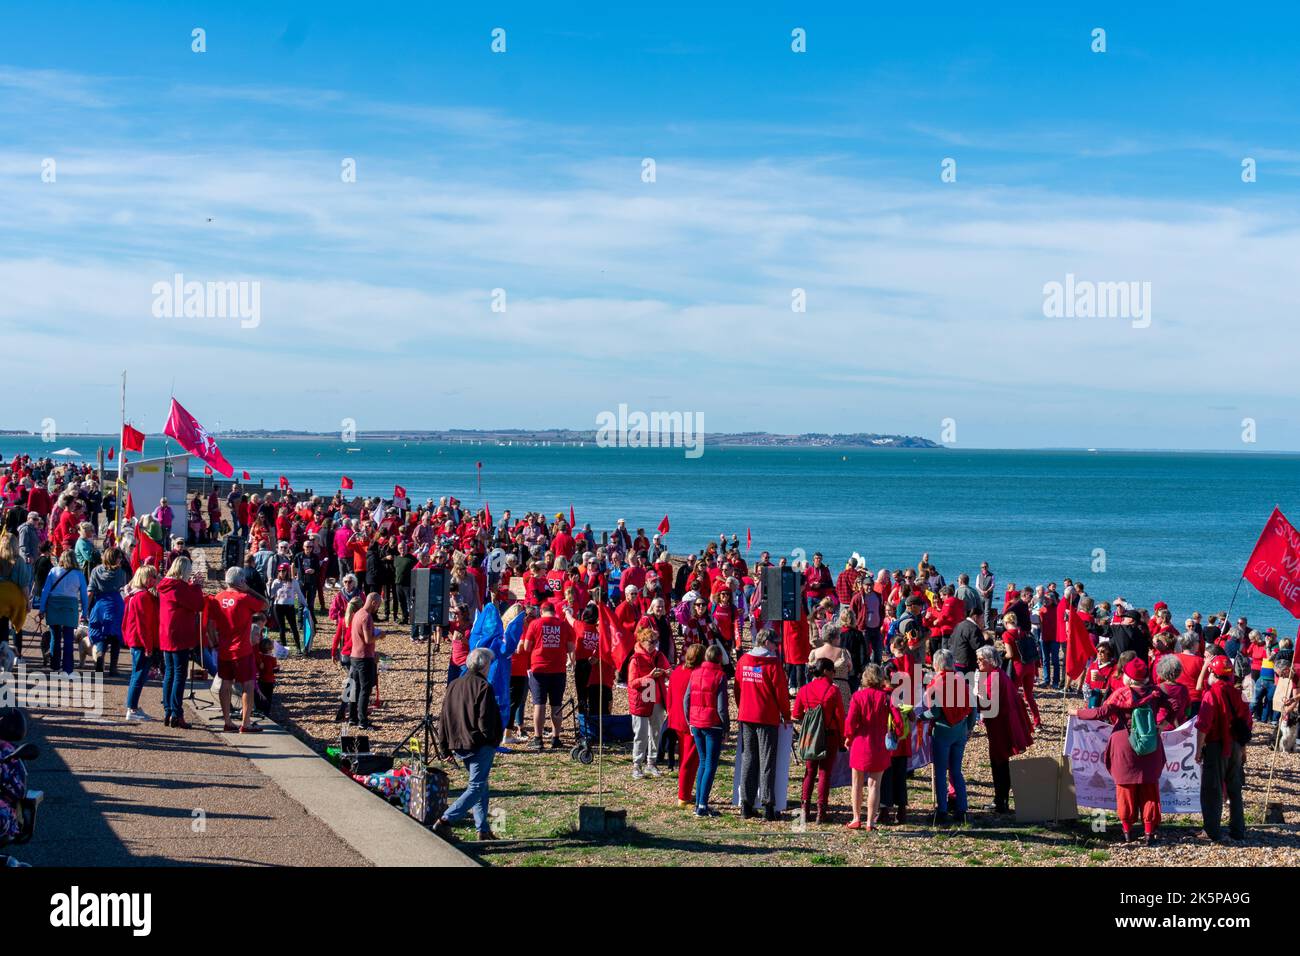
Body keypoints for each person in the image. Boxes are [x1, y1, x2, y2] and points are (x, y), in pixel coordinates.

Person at [1075, 657, 1167, 845]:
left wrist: (1076, 713)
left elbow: (1100, 713)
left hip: (1124, 744)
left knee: (1125, 789)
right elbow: (1175, 707)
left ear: (1129, 678)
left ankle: (1127, 831)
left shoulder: (1121, 694)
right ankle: (1149, 832)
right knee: (1149, 789)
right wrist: (1163, 722)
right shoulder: (1156, 693)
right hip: (1150, 744)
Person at [435, 646, 504, 841]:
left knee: (481, 785)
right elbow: (485, 719)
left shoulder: (454, 684)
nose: (490, 667)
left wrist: (444, 746)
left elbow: (444, 717)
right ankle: (445, 820)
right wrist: (492, 739)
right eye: (489, 664)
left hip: (459, 742)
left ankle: (482, 829)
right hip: (478, 743)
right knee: (476, 787)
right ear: (484, 666)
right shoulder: (484, 687)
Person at [734, 629, 790, 820]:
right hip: (766, 717)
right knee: (767, 761)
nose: (776, 647)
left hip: (747, 715)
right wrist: (786, 715)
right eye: (775, 643)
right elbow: (781, 692)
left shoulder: (743, 661)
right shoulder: (773, 664)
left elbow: (737, 687)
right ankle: (767, 805)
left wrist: (741, 707)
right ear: (766, 642)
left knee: (748, 759)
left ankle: (746, 804)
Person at [204, 566, 268, 733]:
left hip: (224, 648)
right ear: (241, 581)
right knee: (247, 686)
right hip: (242, 649)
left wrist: (214, 644)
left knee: (225, 684)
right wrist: (250, 589)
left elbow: (210, 625)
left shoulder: (217, 598)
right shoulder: (243, 598)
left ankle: (227, 721)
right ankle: (245, 723)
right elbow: (265, 605)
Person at [1195, 655, 1251, 842]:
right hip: (1235, 745)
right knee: (1235, 788)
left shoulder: (1211, 694)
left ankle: (1211, 831)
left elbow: (1204, 724)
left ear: (1212, 673)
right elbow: (1246, 724)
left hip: (1217, 745)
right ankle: (1238, 829)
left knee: (1212, 788)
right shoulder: (1239, 694)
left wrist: (1197, 749)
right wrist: (1243, 749)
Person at [976, 644, 1034, 815]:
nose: (978, 662)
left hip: (1000, 725)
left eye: (981, 660)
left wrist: (974, 699)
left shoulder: (994, 677)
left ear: (990, 661)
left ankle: (1000, 800)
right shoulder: (997, 674)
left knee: (998, 762)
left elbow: (988, 703)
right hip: (1001, 722)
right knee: (1000, 762)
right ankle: (1001, 799)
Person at [844, 663, 900, 831]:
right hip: (879, 744)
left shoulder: (857, 697)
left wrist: (848, 737)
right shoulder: (886, 698)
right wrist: (897, 734)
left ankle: (856, 818)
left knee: (857, 783)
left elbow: (851, 722)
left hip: (860, 743)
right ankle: (871, 822)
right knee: (875, 785)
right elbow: (898, 720)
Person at [792, 657, 846, 825]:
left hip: (810, 735)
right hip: (828, 735)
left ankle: (804, 810)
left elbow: (796, 714)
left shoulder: (804, 689)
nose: (834, 674)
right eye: (832, 671)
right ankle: (821, 812)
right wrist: (842, 739)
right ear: (825, 671)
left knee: (809, 772)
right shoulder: (833, 690)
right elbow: (840, 718)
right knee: (824, 774)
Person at [924, 649, 972, 825]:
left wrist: (920, 717)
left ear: (936, 665)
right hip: (960, 731)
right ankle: (962, 808)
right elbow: (972, 708)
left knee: (940, 772)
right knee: (956, 771)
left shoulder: (936, 684)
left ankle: (942, 810)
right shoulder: (962, 681)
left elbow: (935, 711)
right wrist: (969, 727)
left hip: (943, 731)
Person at [157, 555, 206, 728]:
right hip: (179, 635)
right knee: (179, 675)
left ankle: (168, 710)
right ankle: (176, 713)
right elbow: (198, 605)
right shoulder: (179, 587)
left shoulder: (166, 585)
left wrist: (191, 586)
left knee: (169, 674)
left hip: (166, 633)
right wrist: (197, 587)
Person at [683, 643, 730, 816]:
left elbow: (686, 699)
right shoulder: (719, 676)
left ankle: (699, 803)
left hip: (696, 722)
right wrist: (726, 727)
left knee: (703, 762)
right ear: (719, 658)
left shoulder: (694, 673)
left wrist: (690, 720)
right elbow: (721, 707)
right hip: (712, 724)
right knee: (710, 763)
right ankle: (702, 804)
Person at [521, 602, 575, 751]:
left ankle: (538, 739)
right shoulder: (564, 625)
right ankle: (555, 737)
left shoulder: (535, 624)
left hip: (539, 668)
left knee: (539, 704)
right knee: (556, 704)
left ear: (542, 611)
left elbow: (526, 647)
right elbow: (571, 648)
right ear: (553, 611)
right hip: (558, 669)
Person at [627, 626, 670, 779]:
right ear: (642, 641)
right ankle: (637, 765)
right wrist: (650, 676)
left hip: (657, 698)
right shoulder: (635, 659)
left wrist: (668, 673)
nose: (653, 644)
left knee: (656, 731)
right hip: (643, 697)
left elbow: (668, 669)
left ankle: (651, 763)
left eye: (655, 641)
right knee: (641, 733)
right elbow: (632, 683)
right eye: (650, 642)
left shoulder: (659, 656)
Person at [39, 549, 88, 675]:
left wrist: (42, 608)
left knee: (55, 637)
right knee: (68, 639)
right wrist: (85, 611)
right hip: (70, 607)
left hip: (53, 606)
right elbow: (83, 595)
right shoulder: (79, 574)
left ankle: (55, 665)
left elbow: (45, 591)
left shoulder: (53, 571)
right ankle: (68, 668)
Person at [122, 564, 161, 720]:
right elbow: (143, 625)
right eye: (152, 576)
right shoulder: (142, 597)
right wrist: (148, 646)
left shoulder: (135, 595)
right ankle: (132, 709)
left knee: (136, 675)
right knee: (139, 675)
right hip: (141, 642)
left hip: (136, 640)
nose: (155, 579)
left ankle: (132, 706)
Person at [348, 592, 382, 729]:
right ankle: (363, 721)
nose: (378, 608)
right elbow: (368, 640)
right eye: (378, 605)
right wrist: (380, 636)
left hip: (354, 656)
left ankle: (352, 718)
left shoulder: (358, 613)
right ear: (373, 602)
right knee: (365, 690)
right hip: (364, 657)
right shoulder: (367, 617)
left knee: (354, 689)